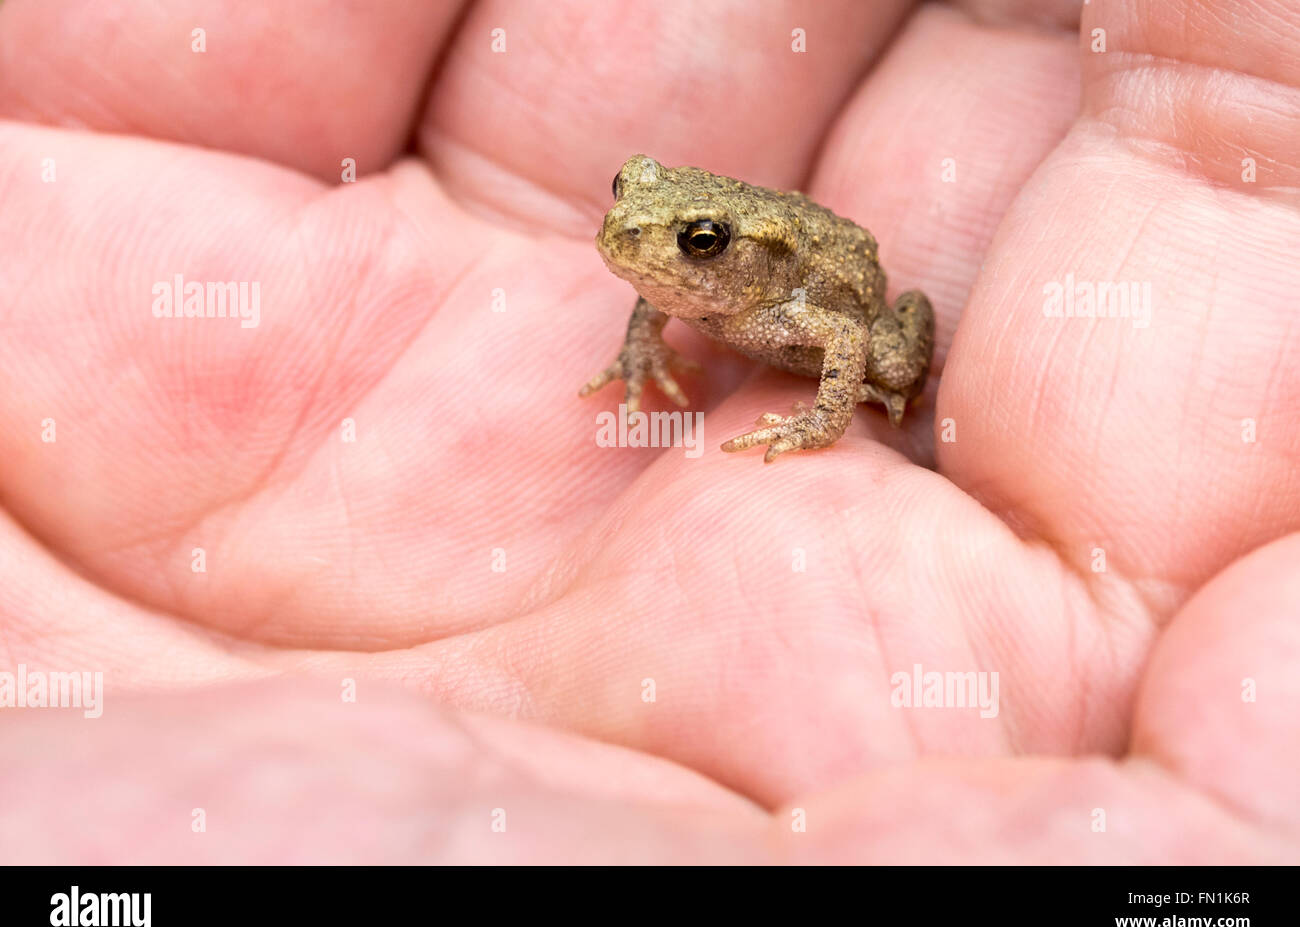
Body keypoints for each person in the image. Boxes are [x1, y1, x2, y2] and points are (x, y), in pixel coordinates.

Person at [0, 0, 1294, 863]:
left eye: (683, 243)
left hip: (840, 277)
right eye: (633, 207)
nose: (636, 244)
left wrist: (825, 424)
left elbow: (849, 336)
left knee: (902, 345)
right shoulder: (672, 271)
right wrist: (639, 354)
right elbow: (647, 292)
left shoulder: (785, 291)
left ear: (729, 254)